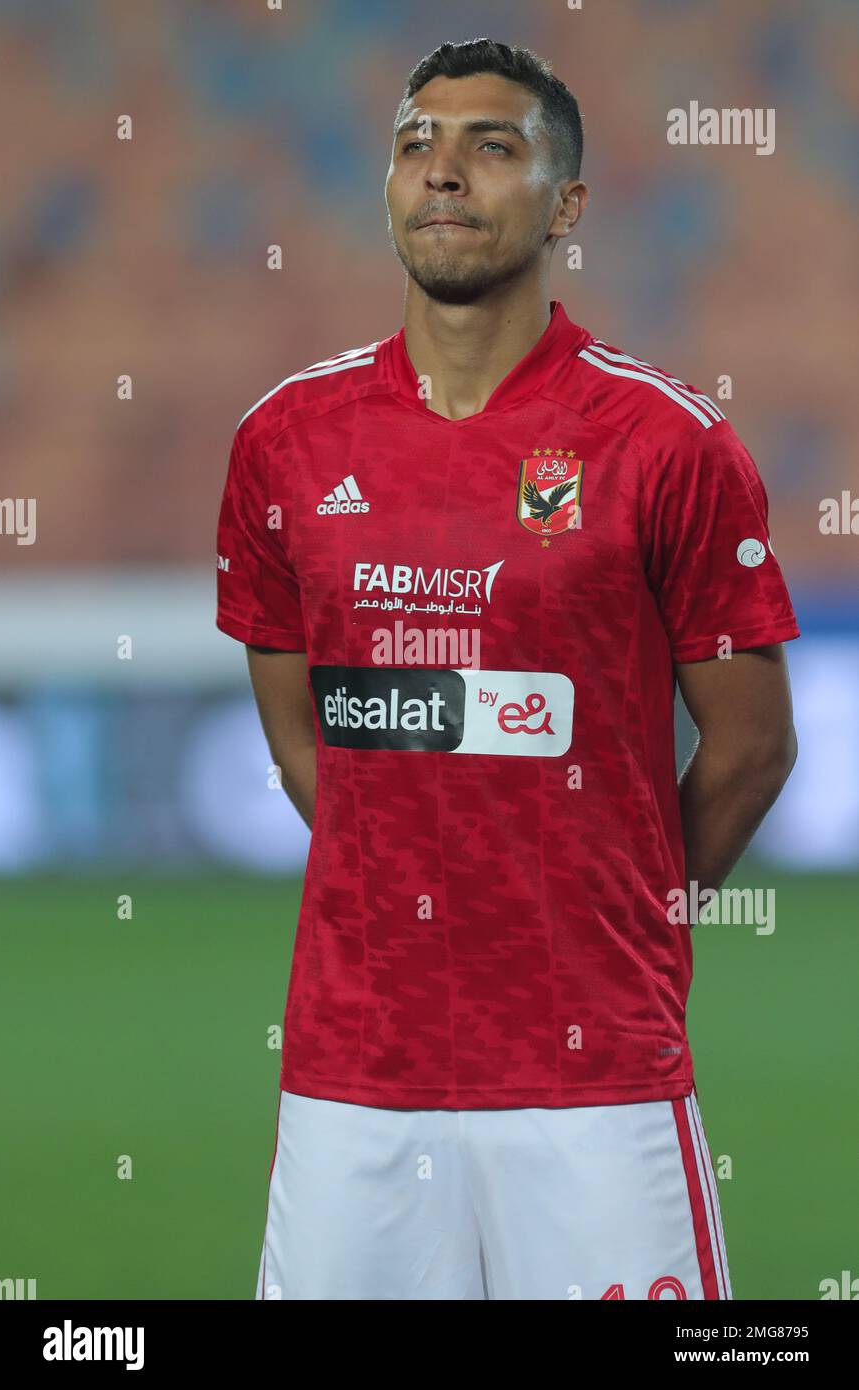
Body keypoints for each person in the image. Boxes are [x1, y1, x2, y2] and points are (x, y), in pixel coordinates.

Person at [216, 39, 799, 1300]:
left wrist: (623, 899)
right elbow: (305, 737)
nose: (443, 173)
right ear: (385, 185)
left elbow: (752, 748)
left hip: (594, 1076)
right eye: (416, 143)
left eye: (491, 146)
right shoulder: (284, 442)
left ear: (566, 202)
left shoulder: (666, 443)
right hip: (353, 1074)